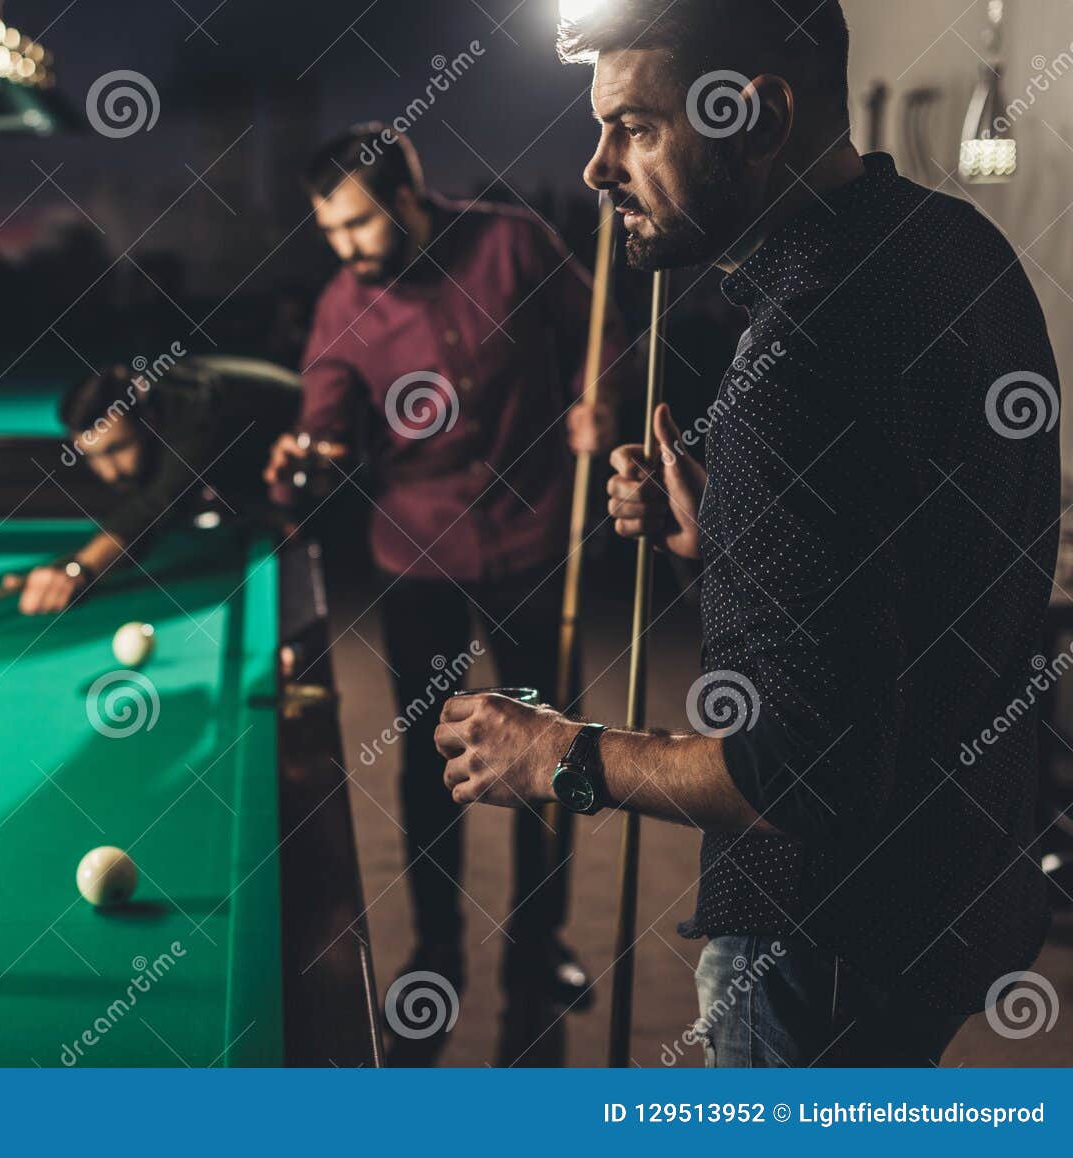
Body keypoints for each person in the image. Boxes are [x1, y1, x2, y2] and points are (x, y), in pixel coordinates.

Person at [437, 0, 1059, 1067]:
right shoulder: (954, 245)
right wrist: (731, 539)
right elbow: (916, 581)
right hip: (959, 886)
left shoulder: (801, 357)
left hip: (821, 936)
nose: (595, 167)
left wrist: (555, 755)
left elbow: (804, 771)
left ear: (757, 117)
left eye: (635, 127)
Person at [265, 126, 635, 1065]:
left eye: (357, 224)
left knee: (552, 745)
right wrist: (313, 455)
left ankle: (539, 941)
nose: (344, 246)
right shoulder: (342, 305)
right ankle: (435, 948)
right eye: (329, 230)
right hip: (416, 548)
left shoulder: (511, 240)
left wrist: (597, 397)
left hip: (533, 533)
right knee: (434, 756)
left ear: (406, 197)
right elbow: (324, 420)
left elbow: (600, 329)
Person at [6, 356, 300, 615]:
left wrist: (79, 569)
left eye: (117, 449)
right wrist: (68, 564)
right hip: (259, 465)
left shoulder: (195, 411)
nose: (110, 472)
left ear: (148, 422)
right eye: (93, 456)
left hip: (311, 438)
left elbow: (154, 506)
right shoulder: (153, 411)